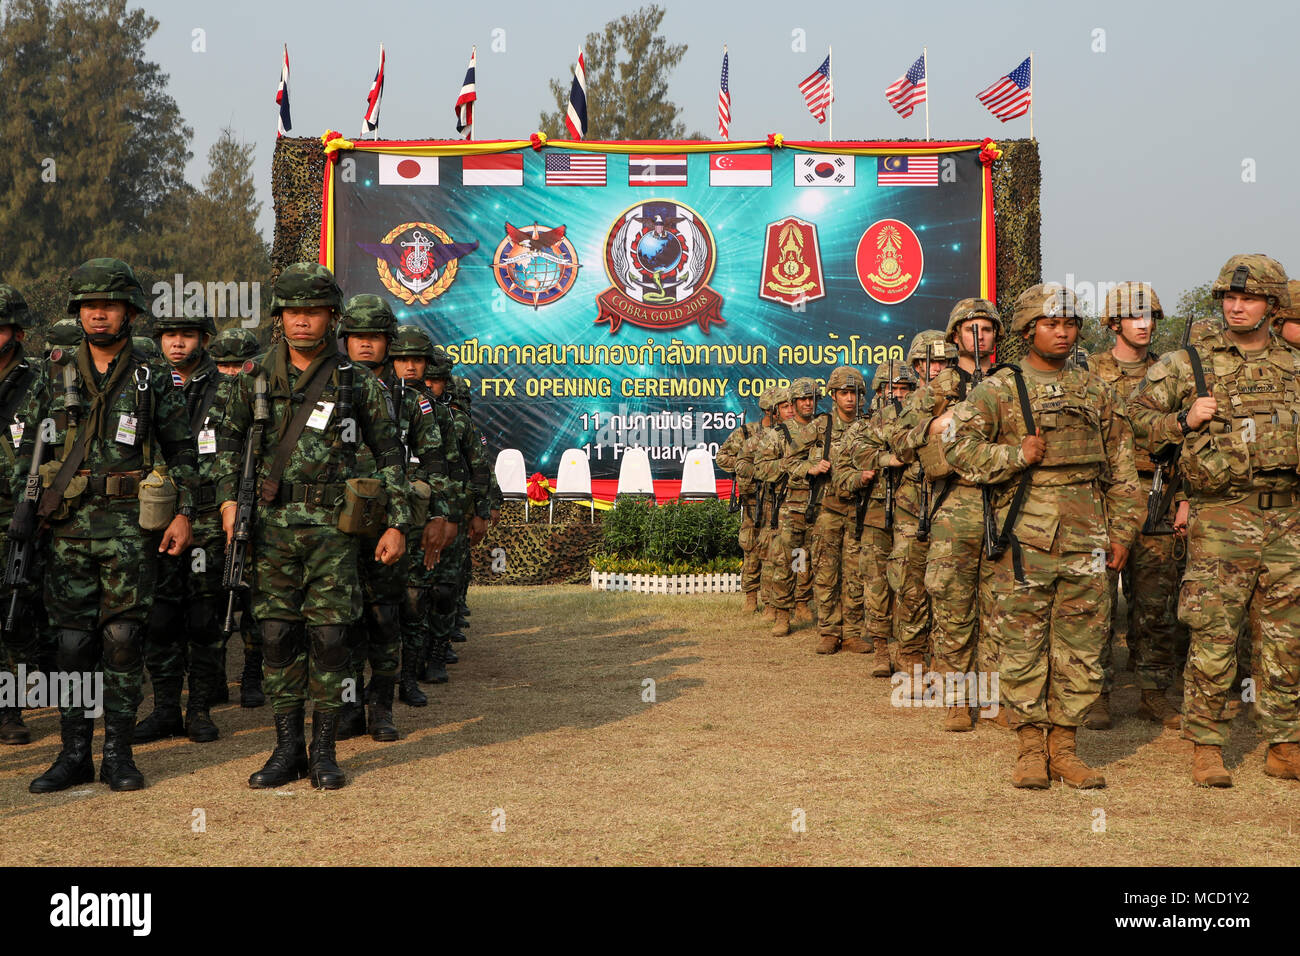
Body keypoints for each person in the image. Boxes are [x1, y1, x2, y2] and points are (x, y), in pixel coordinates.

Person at [214, 263, 415, 790]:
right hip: (268, 527)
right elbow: (225, 446)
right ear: (279, 317)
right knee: (277, 636)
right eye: (293, 311)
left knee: (329, 638)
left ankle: (323, 750)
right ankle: (286, 749)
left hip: (334, 531)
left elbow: (391, 455)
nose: (303, 321)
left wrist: (397, 523)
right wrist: (227, 505)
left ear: (332, 317)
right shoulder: (253, 376)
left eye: (314, 311)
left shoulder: (356, 382)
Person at [946, 283, 1140, 789]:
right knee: (1021, 644)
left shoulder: (1097, 390)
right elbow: (957, 448)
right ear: (1029, 329)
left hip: (1087, 538)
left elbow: (1121, 470)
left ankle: (1066, 749)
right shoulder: (1000, 388)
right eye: (1051, 324)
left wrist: (1122, 532)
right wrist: (1014, 456)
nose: (1063, 332)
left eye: (1070, 324)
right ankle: (1031, 748)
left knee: (1081, 645)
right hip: (1022, 540)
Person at [25, 258, 198, 793]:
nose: (99, 314)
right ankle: (73, 753)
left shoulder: (151, 376)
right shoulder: (51, 373)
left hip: (131, 529)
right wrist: (24, 516)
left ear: (129, 312)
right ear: (78, 312)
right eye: (90, 305)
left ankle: (118, 754)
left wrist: (186, 512)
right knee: (74, 643)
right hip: (67, 528)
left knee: (123, 638)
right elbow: (26, 451)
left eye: (110, 304)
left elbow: (184, 449)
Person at [1131, 254, 1300, 788]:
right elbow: (1134, 421)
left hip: (1288, 519)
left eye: (1247, 297)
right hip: (1222, 519)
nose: (1236, 305)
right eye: (1228, 296)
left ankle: (1284, 743)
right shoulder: (1188, 364)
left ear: (1272, 305)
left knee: (1285, 639)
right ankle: (1206, 743)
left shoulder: (1295, 365)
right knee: (1213, 634)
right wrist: (1182, 419)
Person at [336, 295, 454, 741]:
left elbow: (436, 462)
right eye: (357, 337)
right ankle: (347, 708)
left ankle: (381, 706)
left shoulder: (412, 401)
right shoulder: (329, 387)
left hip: (393, 521)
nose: (365, 346)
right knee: (339, 619)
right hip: (335, 523)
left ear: (388, 341)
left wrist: (439, 517)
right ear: (345, 340)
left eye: (375, 337)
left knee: (386, 616)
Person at [898, 299, 1002, 730]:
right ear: (955, 335)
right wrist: (933, 425)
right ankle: (957, 697)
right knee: (954, 604)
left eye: (987, 329)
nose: (979, 336)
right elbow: (898, 438)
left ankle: (996, 697)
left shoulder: (1009, 382)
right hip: (953, 503)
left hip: (1005, 504)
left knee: (1002, 609)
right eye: (971, 329)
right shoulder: (934, 389)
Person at [1085, 282, 1182, 731]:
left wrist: (1182, 499)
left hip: (1157, 495)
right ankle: (1097, 693)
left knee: (1155, 602)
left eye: (1149, 317)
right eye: (1133, 317)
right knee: (1098, 603)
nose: (1143, 325)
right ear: (1114, 323)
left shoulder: (1171, 372)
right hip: (1104, 498)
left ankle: (1153, 692)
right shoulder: (1087, 371)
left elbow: (1188, 443)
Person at [133, 311, 227, 743]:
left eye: (186, 335)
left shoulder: (228, 388)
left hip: (206, 520)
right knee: (160, 616)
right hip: (154, 517)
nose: (176, 343)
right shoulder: (143, 385)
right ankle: (166, 709)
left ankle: (201, 710)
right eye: (169, 335)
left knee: (204, 617)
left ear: (204, 339)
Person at [388, 326, 464, 704]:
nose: (409, 367)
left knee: (416, 599)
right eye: (401, 359)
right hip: (376, 518)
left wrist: (445, 517)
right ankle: (375, 688)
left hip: (419, 519)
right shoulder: (373, 400)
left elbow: (449, 468)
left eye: (416, 360)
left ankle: (409, 679)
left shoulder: (438, 413)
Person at [886, 332, 956, 682]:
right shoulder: (912, 403)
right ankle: (911, 659)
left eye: (943, 361)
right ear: (917, 366)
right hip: (915, 504)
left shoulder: (970, 396)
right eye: (930, 362)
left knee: (949, 589)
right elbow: (899, 446)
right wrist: (931, 426)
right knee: (911, 584)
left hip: (955, 503)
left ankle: (946, 663)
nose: (937, 368)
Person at [0, 284, 50, 745]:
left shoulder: (40, 382)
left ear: (15, 331)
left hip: (22, 511)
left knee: (16, 612)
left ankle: (11, 709)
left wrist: (33, 505)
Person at [208, 326, 266, 706]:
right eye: (223, 366)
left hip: (255, 506)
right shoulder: (202, 401)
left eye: (237, 366)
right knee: (209, 600)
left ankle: (251, 673)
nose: (230, 374)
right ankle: (211, 677)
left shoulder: (261, 399)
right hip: (208, 510)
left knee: (256, 601)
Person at [754, 377, 821, 636]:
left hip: (819, 503)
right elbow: (759, 468)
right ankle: (782, 613)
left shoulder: (823, 428)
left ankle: (803, 603)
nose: (807, 403)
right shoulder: (778, 435)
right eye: (802, 399)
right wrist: (786, 465)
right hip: (789, 504)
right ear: (792, 402)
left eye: (811, 398)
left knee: (808, 559)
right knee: (785, 560)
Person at [808, 366, 867, 655]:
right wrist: (810, 467)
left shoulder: (869, 426)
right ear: (833, 394)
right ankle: (829, 631)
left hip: (859, 509)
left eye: (855, 393)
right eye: (844, 393)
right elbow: (787, 461)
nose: (850, 399)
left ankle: (853, 632)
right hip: (828, 510)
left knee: (855, 573)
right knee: (826, 572)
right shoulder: (820, 427)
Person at [715, 392, 773, 614]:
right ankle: (751, 597)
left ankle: (772, 601)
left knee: (775, 551)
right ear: (769, 409)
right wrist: (746, 466)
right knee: (751, 548)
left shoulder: (787, 433)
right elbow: (722, 457)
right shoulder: (746, 432)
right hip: (752, 501)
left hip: (778, 500)